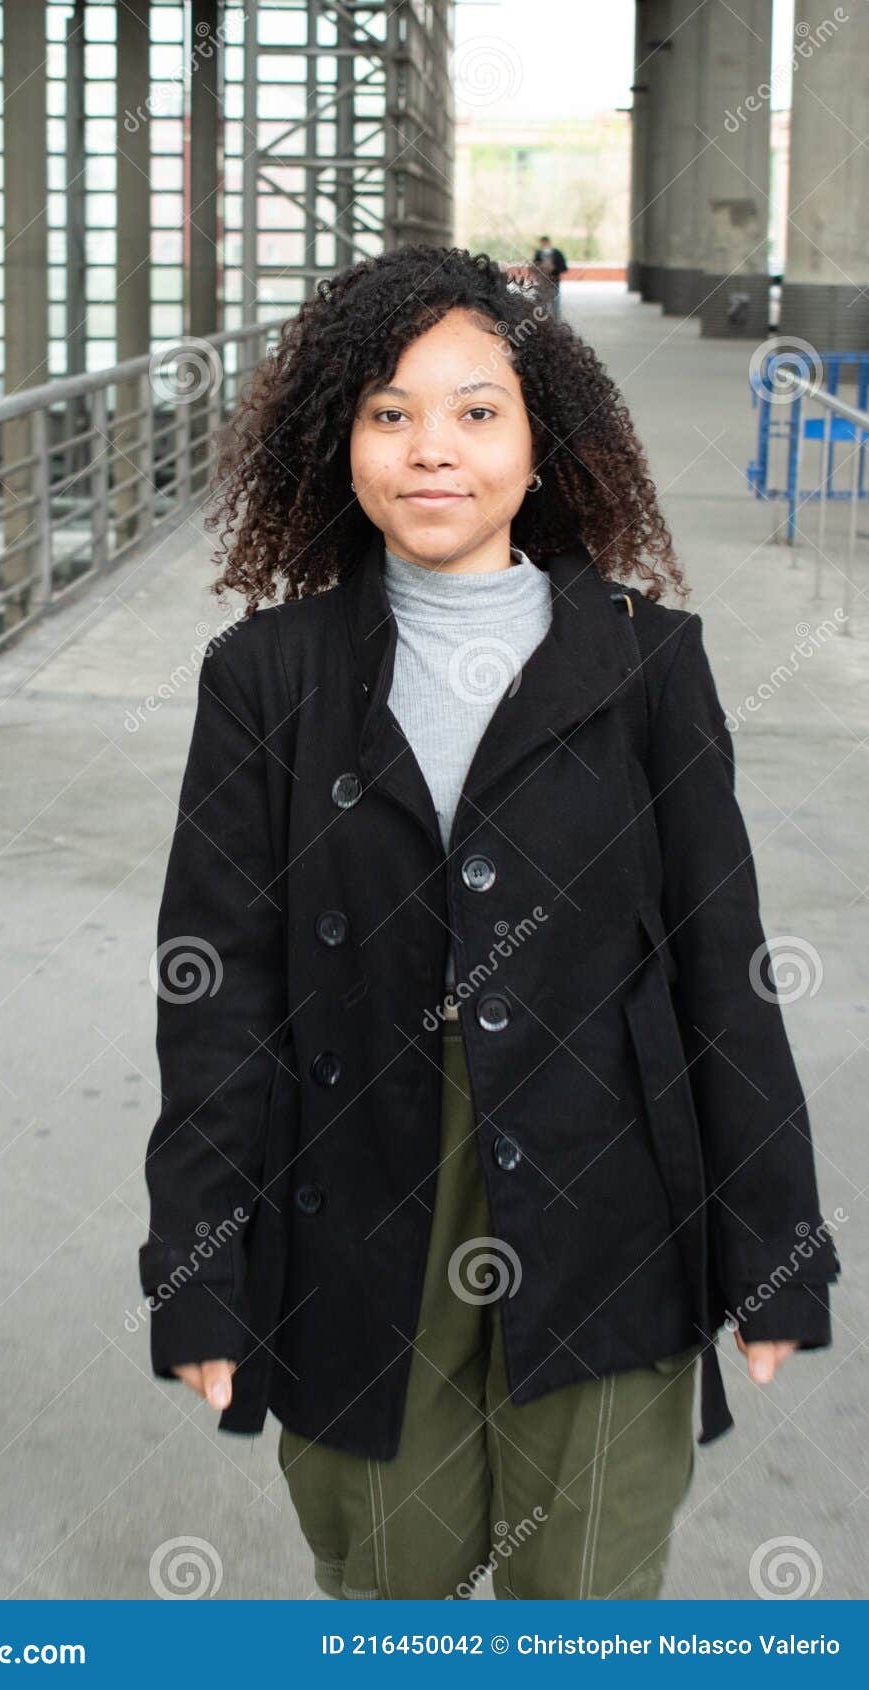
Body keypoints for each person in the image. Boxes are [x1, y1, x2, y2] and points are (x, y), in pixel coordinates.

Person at [138, 244, 840, 1601]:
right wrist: (197, 1261)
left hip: (604, 1204)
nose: (428, 450)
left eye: (475, 410)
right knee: (385, 1583)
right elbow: (216, 992)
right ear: (334, 442)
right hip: (352, 1198)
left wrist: (774, 1244)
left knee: (583, 1592)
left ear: (540, 444)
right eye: (386, 412)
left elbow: (720, 970)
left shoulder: (645, 663)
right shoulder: (261, 680)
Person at [533, 234, 568, 319]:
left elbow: (564, 268)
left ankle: (556, 323)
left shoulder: (557, 254)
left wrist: (554, 268)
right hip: (542, 283)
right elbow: (533, 267)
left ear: (548, 242)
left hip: (554, 282)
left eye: (545, 242)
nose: (544, 244)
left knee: (555, 305)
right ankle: (543, 323)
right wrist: (540, 267)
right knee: (542, 305)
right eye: (542, 243)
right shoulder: (538, 254)